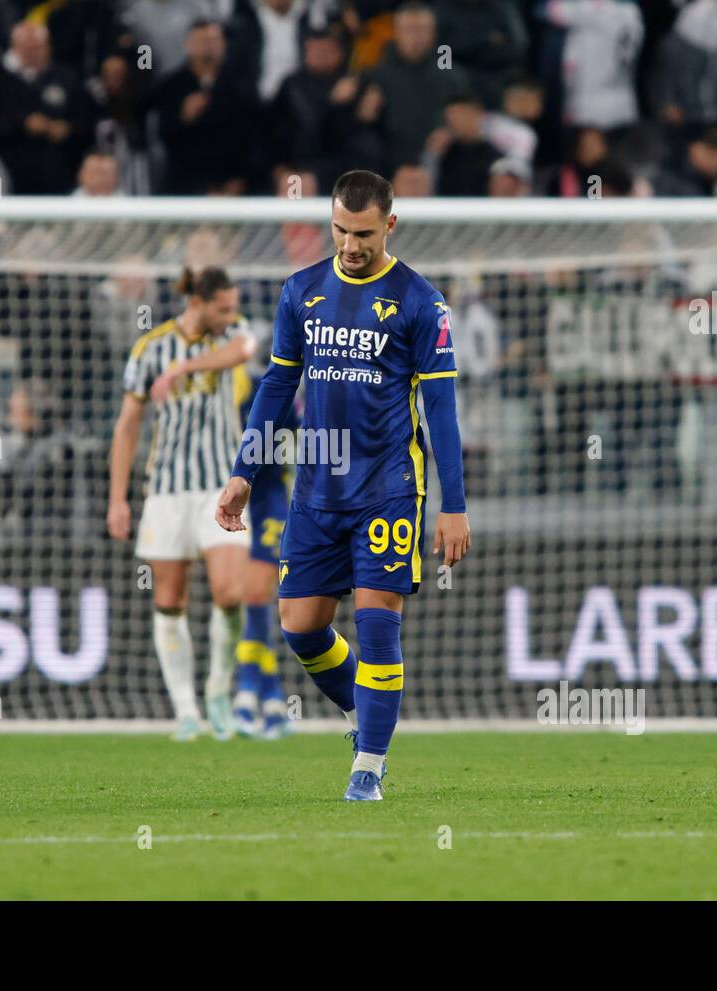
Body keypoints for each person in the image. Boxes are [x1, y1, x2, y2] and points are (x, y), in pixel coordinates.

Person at [216, 170, 470, 801]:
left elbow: (441, 408)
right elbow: (276, 387)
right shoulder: (301, 290)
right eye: (339, 231)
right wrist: (245, 471)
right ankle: (362, 716)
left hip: (388, 484)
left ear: (389, 224)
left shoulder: (420, 301)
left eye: (361, 233)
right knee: (300, 626)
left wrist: (454, 505)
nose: (350, 245)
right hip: (316, 485)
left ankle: (370, 767)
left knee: (377, 617)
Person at [108, 267, 256, 741]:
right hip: (167, 490)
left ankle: (217, 691)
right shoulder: (150, 348)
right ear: (198, 303)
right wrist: (118, 499)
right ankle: (185, 709)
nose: (231, 314)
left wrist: (185, 368)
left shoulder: (232, 335)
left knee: (230, 592)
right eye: (223, 307)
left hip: (221, 487)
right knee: (170, 599)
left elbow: (244, 351)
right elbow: (128, 425)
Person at [231, 368, 300, 739]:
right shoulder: (204, 392)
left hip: (269, 500)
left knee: (257, 594)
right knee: (244, 598)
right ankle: (271, 698)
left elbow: (292, 429)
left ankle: (245, 694)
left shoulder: (261, 387)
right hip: (227, 500)